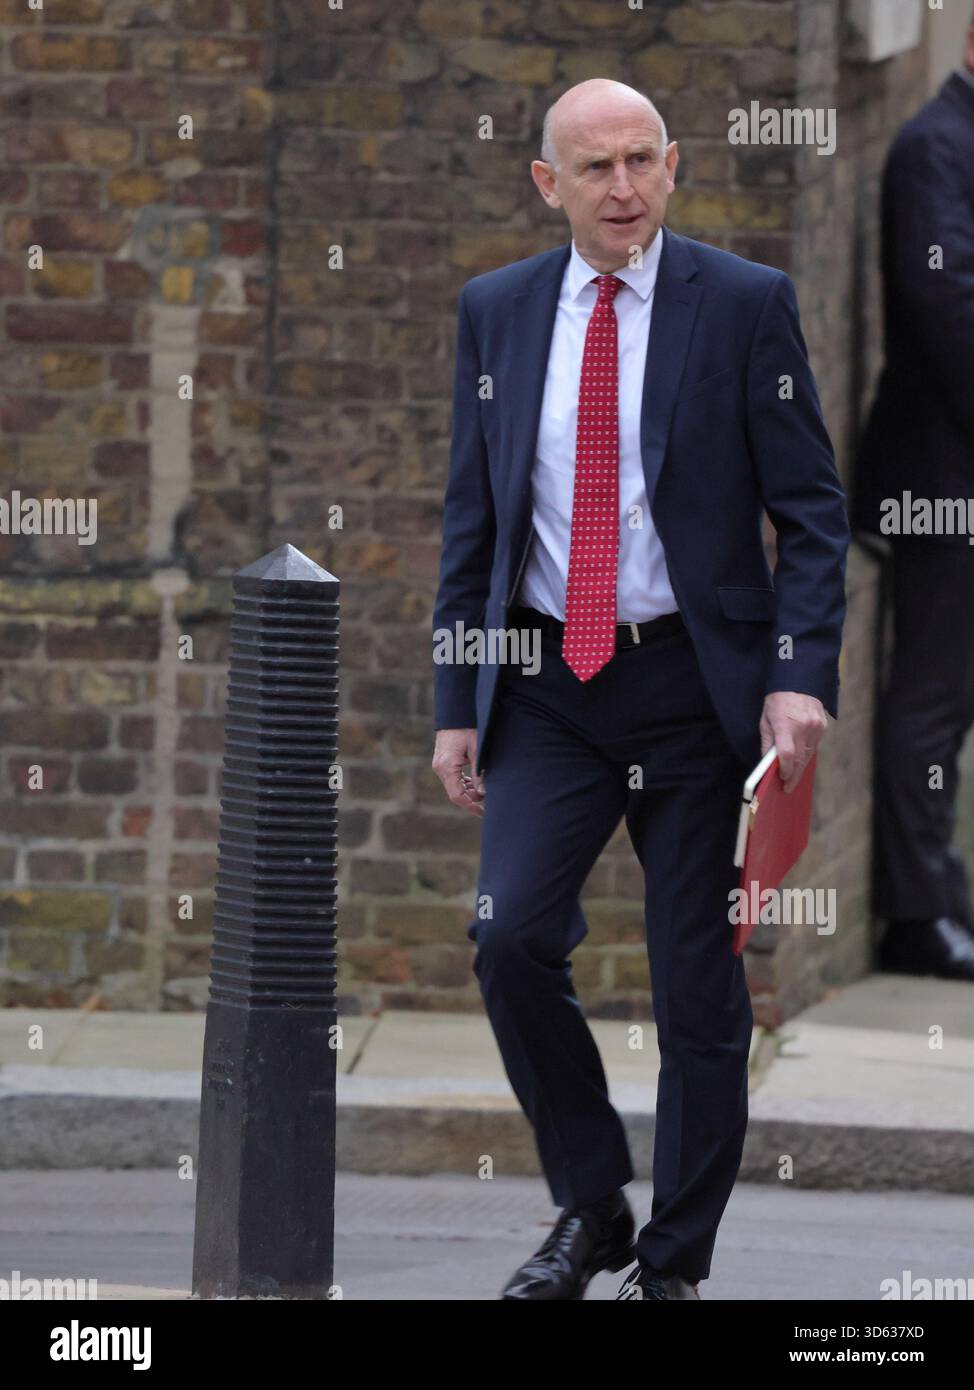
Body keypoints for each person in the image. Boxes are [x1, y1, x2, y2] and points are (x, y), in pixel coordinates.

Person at [431, 79, 849, 1301]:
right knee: (507, 938)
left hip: (692, 688)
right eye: (594, 168)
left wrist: (796, 678)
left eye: (641, 162)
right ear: (545, 184)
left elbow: (811, 517)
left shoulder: (744, 306)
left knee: (697, 988)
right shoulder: (497, 312)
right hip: (549, 683)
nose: (623, 190)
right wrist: (458, 701)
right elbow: (474, 519)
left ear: (670, 164)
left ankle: (668, 1268)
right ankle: (590, 1202)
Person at [853, 13, 974, 981]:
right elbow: (945, 311)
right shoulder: (934, 147)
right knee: (930, 697)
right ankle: (913, 916)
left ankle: (941, 890)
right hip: (941, 478)